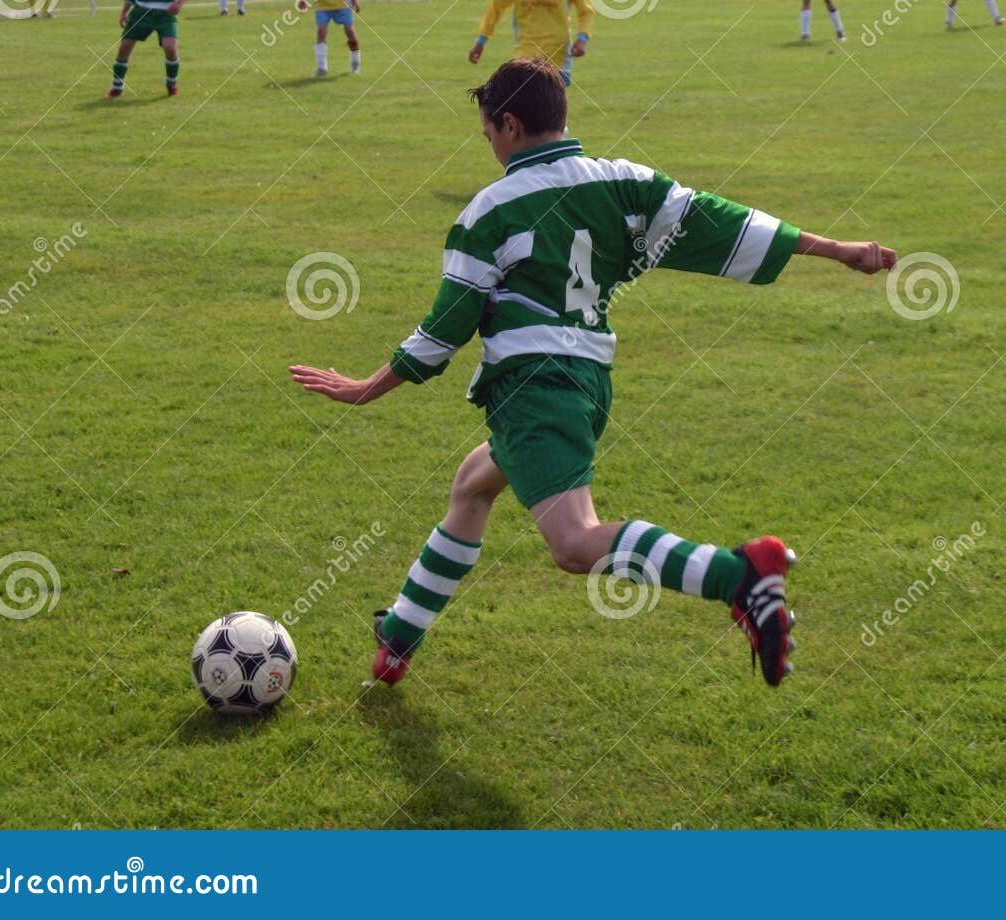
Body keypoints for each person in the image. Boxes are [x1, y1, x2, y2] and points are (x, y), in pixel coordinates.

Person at [290, 58, 897, 690]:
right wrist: (835, 249)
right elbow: (723, 221)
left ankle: (739, 575)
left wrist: (367, 386)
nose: (490, 146)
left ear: (510, 123)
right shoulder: (623, 181)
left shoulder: (487, 212)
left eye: (489, 132)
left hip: (533, 390)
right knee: (473, 485)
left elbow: (446, 328)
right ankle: (398, 638)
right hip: (587, 384)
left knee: (574, 545)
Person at [468, 0, 591, 86]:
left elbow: (586, 11)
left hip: (558, 56)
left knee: (555, 110)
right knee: (529, 108)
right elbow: (496, 9)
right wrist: (481, 41)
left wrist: (582, 38)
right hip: (526, 54)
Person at [108, 0, 183, 98]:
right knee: (125, 46)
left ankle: (171, 84)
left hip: (166, 12)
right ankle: (117, 87)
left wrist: (179, 4)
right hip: (140, 11)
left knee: (170, 48)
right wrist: (124, 12)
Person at [303, 0, 362, 76]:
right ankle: (322, 68)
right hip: (322, 6)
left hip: (343, 6)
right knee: (321, 32)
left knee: (350, 32)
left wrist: (355, 2)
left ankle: (355, 62)